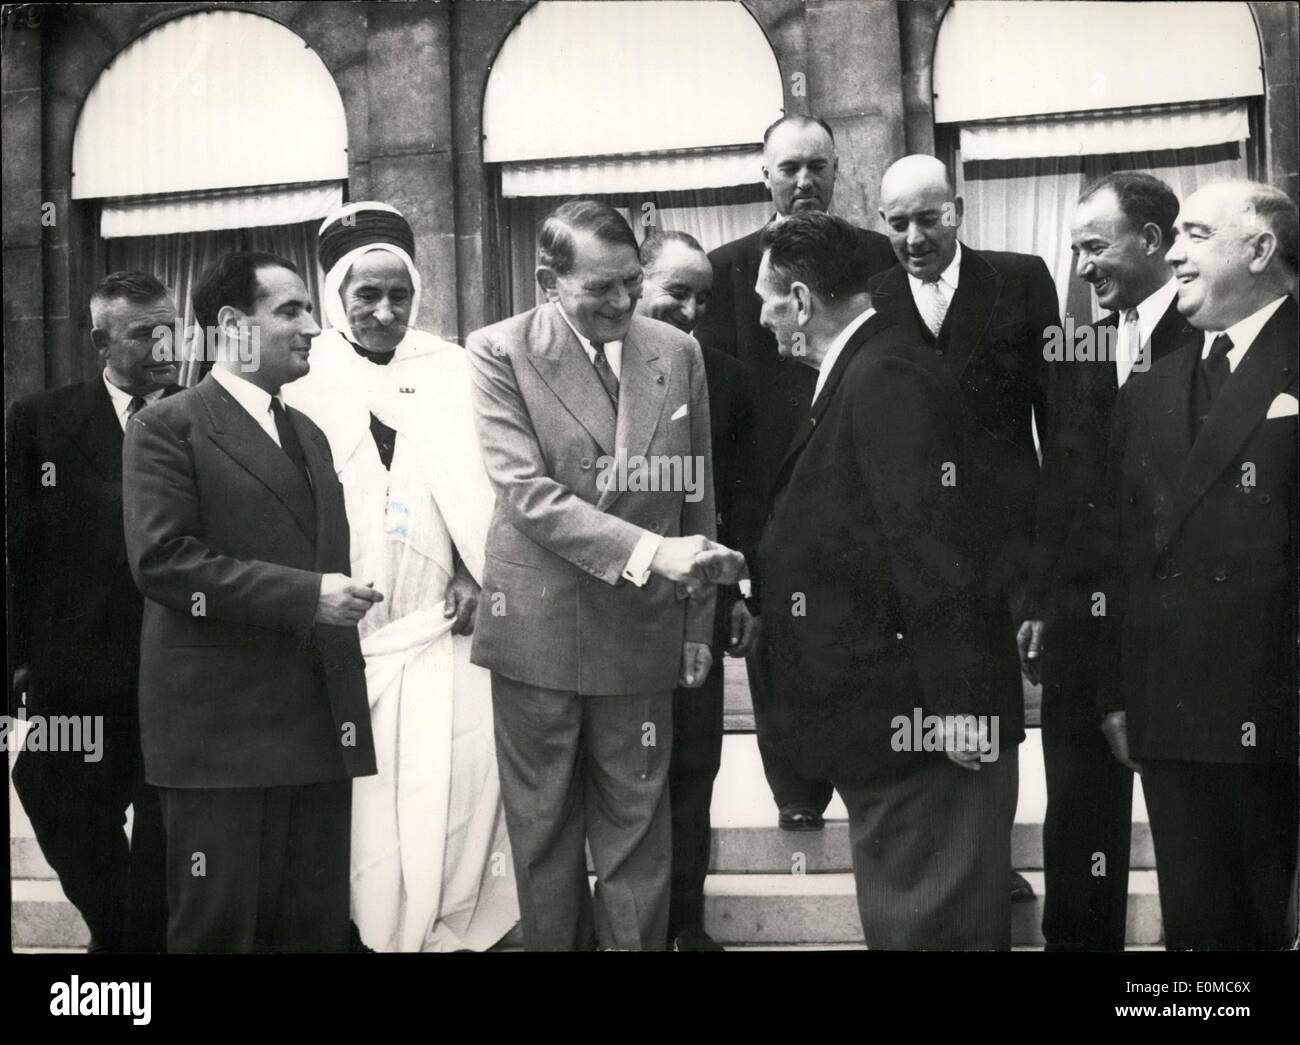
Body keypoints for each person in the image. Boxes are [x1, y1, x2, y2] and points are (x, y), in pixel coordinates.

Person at [699, 212, 1024, 948]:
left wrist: (961, 705)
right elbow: (860, 533)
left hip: (924, 732)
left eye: (767, 299)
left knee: (932, 927)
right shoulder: (866, 371)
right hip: (894, 729)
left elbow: (936, 549)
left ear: (804, 300)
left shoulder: (885, 377)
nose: (759, 315)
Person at [467, 200, 726, 950]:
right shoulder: (497, 351)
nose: (621, 302)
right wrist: (650, 554)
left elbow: (694, 498)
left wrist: (694, 624)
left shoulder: (676, 351)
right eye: (600, 289)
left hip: (645, 632)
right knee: (543, 831)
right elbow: (527, 494)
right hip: (538, 634)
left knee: (640, 832)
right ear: (549, 280)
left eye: (631, 283)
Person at [122, 251, 379, 953]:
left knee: (314, 929)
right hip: (221, 739)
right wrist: (308, 596)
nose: (313, 328)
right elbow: (163, 561)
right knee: (220, 931)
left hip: (318, 728)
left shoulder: (312, 437)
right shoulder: (167, 427)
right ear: (233, 326)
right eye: (290, 310)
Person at [283, 202, 518, 952]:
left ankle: (449, 921)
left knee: (454, 785)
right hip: (344, 630)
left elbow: (483, 485)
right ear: (335, 297)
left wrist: (478, 576)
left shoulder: (450, 369)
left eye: (400, 296)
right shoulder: (301, 373)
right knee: (364, 804)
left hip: (437, 623)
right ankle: (374, 928)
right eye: (366, 296)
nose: (385, 312)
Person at [1094, 181, 1298, 950]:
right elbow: (1122, 552)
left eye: (1196, 234)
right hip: (1173, 714)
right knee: (1198, 932)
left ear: (1260, 249)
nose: (1173, 252)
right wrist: (1119, 693)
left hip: (1277, 716)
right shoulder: (1156, 379)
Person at [693, 114, 895, 833]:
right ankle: (797, 789)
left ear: (838, 171)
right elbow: (716, 401)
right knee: (778, 634)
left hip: (859, 478)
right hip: (766, 485)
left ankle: (866, 772)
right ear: (765, 176)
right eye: (790, 169)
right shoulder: (725, 272)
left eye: (818, 166)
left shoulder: (878, 257)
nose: (804, 181)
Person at [870, 153, 1060, 903]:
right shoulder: (873, 295)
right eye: (898, 222)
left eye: (928, 216)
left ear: (958, 208)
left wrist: (1043, 569)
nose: (915, 236)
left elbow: (1060, 418)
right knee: (921, 703)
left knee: (997, 710)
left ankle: (988, 856)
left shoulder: (1020, 279)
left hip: (1003, 543)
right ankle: (941, 862)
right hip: (906, 546)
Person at [1023, 172, 1196, 951]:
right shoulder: (1081, 339)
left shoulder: (1210, 336)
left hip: (1176, 637)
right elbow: (1061, 478)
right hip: (1079, 632)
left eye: (1095, 247)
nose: (1082, 267)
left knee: (1193, 836)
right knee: (1079, 833)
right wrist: (1036, 598)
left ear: (1153, 242)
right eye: (1074, 251)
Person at [6, 271, 178, 953]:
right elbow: (16, 549)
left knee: (173, 838)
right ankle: (121, 937)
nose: (165, 344)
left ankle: (132, 953)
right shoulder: (40, 419)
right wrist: (16, 663)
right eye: (144, 332)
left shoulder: (204, 413)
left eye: (171, 328)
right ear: (100, 340)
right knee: (55, 800)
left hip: (176, 678)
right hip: (75, 678)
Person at [636, 230, 761, 952]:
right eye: (674, 291)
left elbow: (743, 498)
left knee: (692, 762)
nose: (689, 309)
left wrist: (742, 592)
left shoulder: (725, 376)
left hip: (699, 609)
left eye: (702, 298)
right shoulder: (597, 369)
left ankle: (685, 922)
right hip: (616, 605)